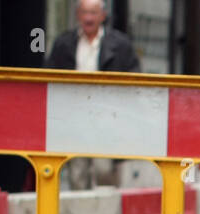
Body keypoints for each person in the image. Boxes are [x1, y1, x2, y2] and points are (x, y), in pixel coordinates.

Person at [47, 0, 140, 190]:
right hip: (74, 117)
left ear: (103, 16)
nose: (88, 18)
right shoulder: (64, 43)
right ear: (78, 15)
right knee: (76, 173)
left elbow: (135, 77)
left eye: (93, 13)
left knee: (104, 170)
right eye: (84, 12)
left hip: (107, 117)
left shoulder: (121, 45)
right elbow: (49, 75)